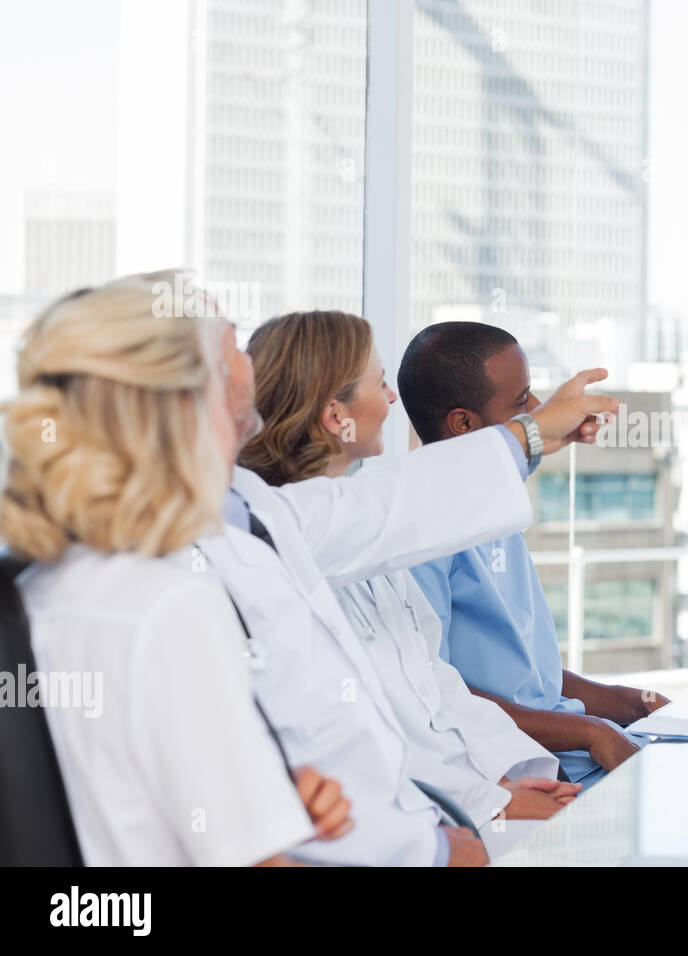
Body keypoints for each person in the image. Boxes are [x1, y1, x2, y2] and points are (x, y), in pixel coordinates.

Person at [190, 282, 616, 865]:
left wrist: (507, 787)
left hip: (443, 807)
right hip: (405, 822)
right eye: (377, 382)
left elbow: (431, 686)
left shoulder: (297, 514)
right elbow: (353, 733)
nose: (392, 400)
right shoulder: (273, 529)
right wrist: (480, 810)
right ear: (334, 413)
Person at [0, 279, 352, 866]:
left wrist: (262, 794)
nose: (244, 415)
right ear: (179, 411)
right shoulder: (168, 605)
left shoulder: (42, 586)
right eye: (225, 389)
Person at [400, 321, 668, 786]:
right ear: (463, 423)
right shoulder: (421, 534)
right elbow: (437, 694)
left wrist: (627, 702)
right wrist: (587, 732)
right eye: (523, 400)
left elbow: (529, 675)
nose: (538, 412)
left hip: (573, 749)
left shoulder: (491, 507)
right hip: (525, 767)